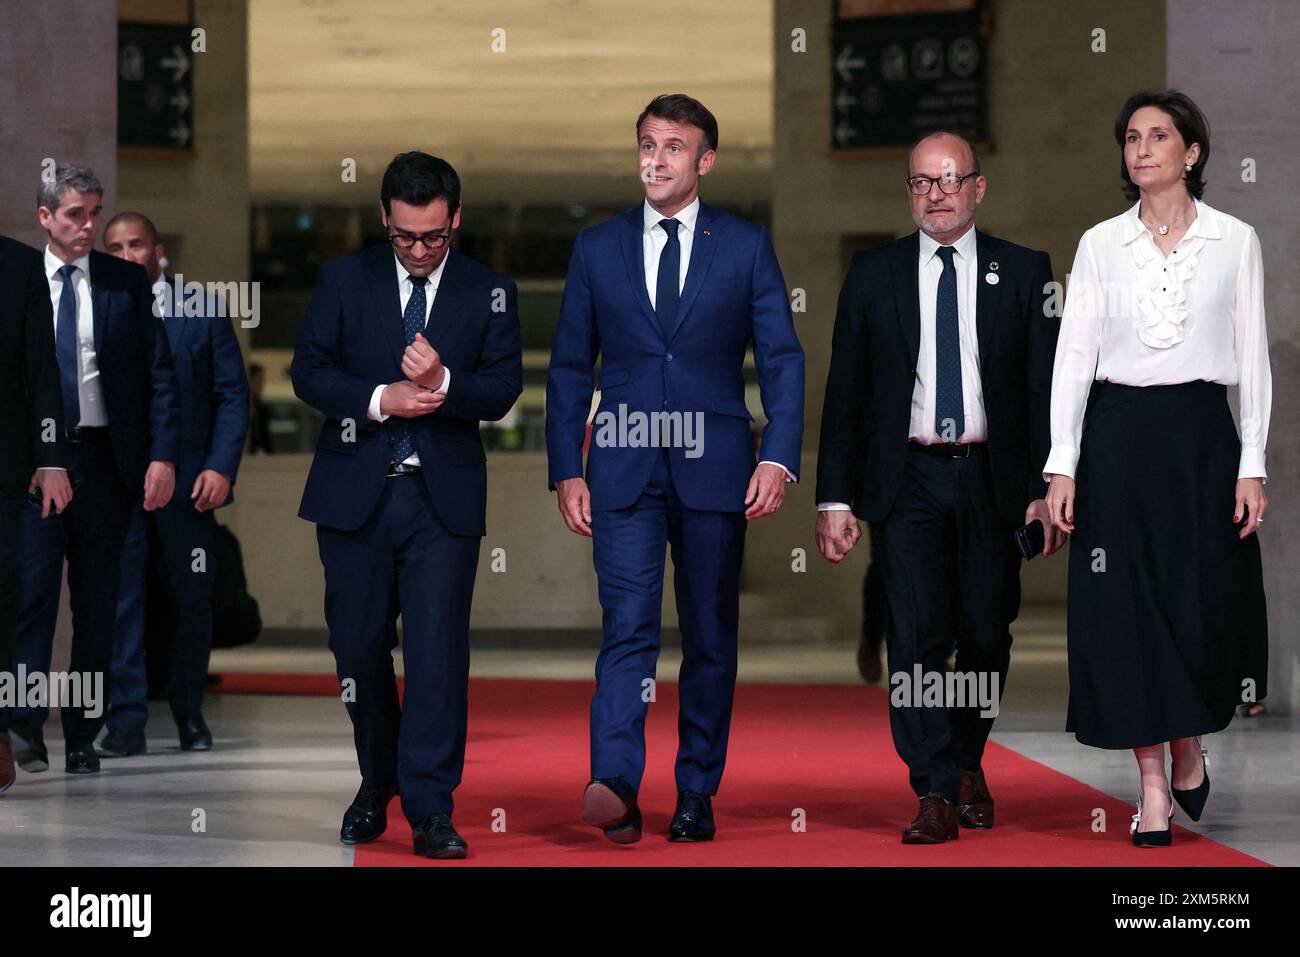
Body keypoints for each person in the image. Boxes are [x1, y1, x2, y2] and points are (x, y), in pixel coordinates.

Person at [546, 93, 804, 844]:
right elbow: (568, 366)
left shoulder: (747, 246)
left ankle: (696, 790)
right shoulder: (598, 246)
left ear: (705, 161)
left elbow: (782, 360)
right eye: (647, 144)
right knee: (625, 629)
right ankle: (617, 784)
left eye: (673, 147)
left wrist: (780, 455)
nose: (655, 160)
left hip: (716, 466)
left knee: (710, 635)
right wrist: (569, 465)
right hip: (621, 467)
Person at [815, 132, 1060, 844]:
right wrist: (834, 497)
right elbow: (846, 395)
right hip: (909, 477)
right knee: (915, 637)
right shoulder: (873, 273)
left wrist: (1051, 484)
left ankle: (964, 759)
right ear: (910, 191)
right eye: (922, 181)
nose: (937, 192)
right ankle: (931, 786)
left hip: (995, 479)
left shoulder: (1025, 271)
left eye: (951, 179)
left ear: (978, 187)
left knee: (986, 630)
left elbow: (1045, 389)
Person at [1044, 90, 1270, 847]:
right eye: (1131, 137)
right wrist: (1061, 464)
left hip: (1202, 439)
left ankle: (1186, 743)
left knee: (1196, 605)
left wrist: (1253, 460)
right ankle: (1151, 785)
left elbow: (1256, 365)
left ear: (1192, 152)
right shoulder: (1100, 244)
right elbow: (1073, 359)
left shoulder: (1235, 241)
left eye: (1158, 136)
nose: (1141, 149)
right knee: (1125, 613)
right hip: (1116, 437)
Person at [291, 151, 522, 860]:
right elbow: (308, 371)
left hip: (440, 501)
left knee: (435, 657)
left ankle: (429, 807)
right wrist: (379, 398)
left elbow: (503, 387)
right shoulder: (342, 280)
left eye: (433, 236)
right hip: (354, 493)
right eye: (403, 236)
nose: (419, 250)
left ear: (455, 219)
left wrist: (446, 379)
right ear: (384, 219)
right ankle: (376, 777)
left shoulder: (490, 290)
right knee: (357, 648)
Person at [7, 167, 178, 776]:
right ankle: (22, 728)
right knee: (31, 597)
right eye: (76, 214)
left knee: (98, 606)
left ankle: (82, 733)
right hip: (39, 467)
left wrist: (162, 456)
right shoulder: (22, 278)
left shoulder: (125, 282)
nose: (88, 226)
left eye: (95, 213)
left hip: (108, 462)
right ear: (45, 216)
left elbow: (159, 374)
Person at [97, 211, 249, 757]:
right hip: (119, 485)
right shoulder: (95, 311)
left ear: (157, 251)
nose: (125, 255)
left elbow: (231, 394)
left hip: (189, 485)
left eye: (135, 245)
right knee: (122, 602)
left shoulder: (201, 307)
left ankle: (189, 714)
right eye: (113, 248)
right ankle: (125, 724)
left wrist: (220, 466)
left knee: (191, 597)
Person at [0, 235, 73, 794]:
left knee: (11, 599)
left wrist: (51, 460)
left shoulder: (20, 265)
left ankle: (6, 731)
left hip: (7, 465)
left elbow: (40, 370)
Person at [247, 363, 273, 454]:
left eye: (262, 381)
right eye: (257, 381)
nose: (261, 385)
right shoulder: (242, 408)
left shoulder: (262, 407)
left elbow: (266, 439)